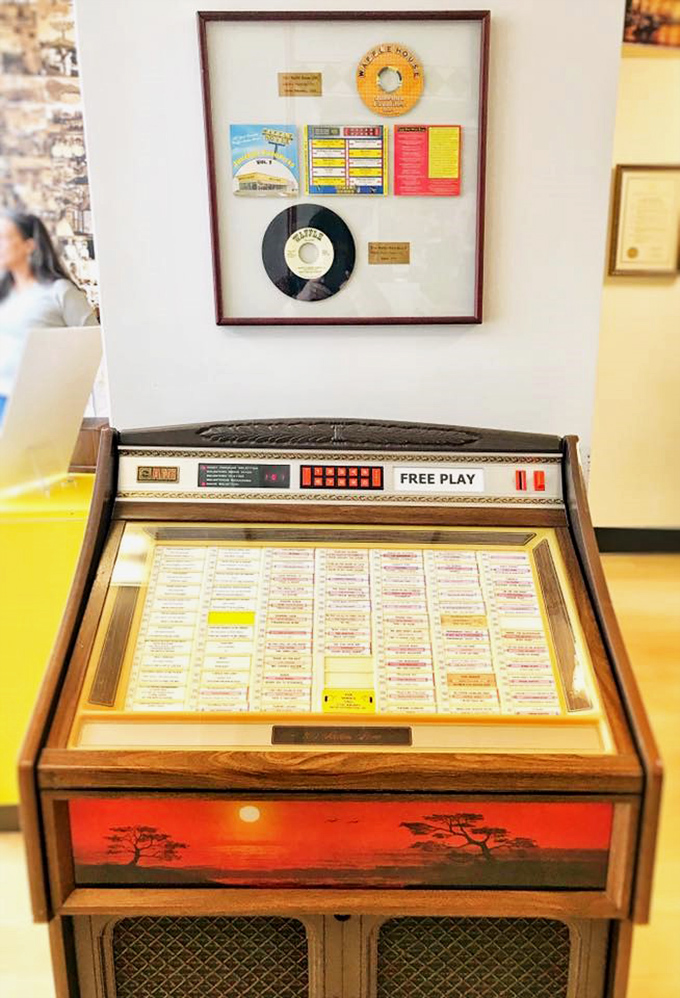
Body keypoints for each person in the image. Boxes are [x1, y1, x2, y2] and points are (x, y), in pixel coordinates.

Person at [0, 211, 98, 423]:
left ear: (29, 245)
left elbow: (93, 342)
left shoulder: (59, 291)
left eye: (5, 238)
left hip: (35, 406)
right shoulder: (4, 293)